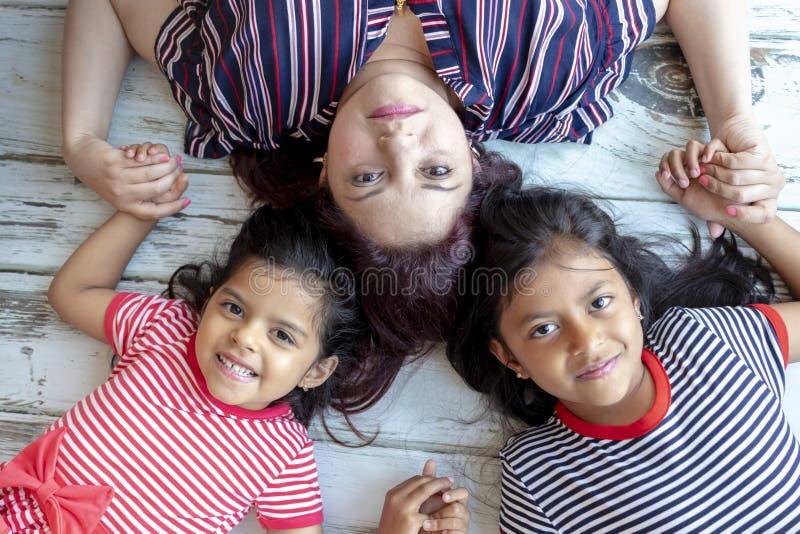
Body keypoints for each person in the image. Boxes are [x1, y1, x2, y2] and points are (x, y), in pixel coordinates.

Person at [61, 0, 783, 357]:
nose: (397, 138)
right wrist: (736, 120)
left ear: (324, 175)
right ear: (474, 161)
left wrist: (81, 141)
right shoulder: (545, 76)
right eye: (435, 171)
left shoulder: (249, 90)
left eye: (368, 177)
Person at [0, 184, 470, 533]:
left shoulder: (282, 454)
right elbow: (72, 293)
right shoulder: (165, 330)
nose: (244, 337)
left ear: (316, 370)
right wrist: (139, 213)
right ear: (208, 300)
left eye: (282, 335)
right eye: (234, 308)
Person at [446, 151, 800, 532]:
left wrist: (737, 213)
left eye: (599, 303)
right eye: (544, 329)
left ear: (632, 297)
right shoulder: (536, 477)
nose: (587, 341)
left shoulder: (704, 340)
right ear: (510, 358)